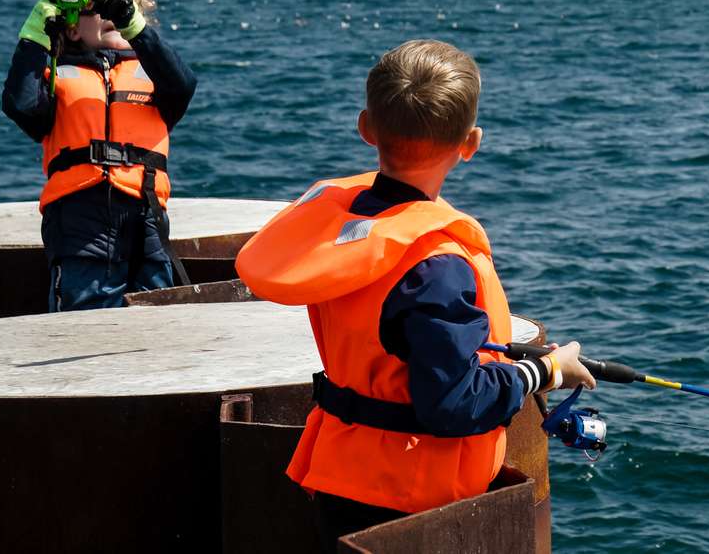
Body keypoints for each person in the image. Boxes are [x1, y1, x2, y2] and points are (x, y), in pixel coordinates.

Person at [236, 39, 594, 549]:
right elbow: (450, 403)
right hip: (418, 505)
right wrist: (547, 370)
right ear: (470, 143)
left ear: (366, 129)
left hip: (343, 479)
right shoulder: (436, 266)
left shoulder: (340, 231)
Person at [2, 0, 197, 311]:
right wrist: (34, 38)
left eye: (121, 7)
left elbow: (183, 86)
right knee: (85, 318)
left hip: (146, 214)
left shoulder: (156, 75)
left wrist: (134, 26)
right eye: (98, 9)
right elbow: (22, 104)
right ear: (74, 27)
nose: (111, 15)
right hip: (80, 218)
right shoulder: (54, 78)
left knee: (157, 317)